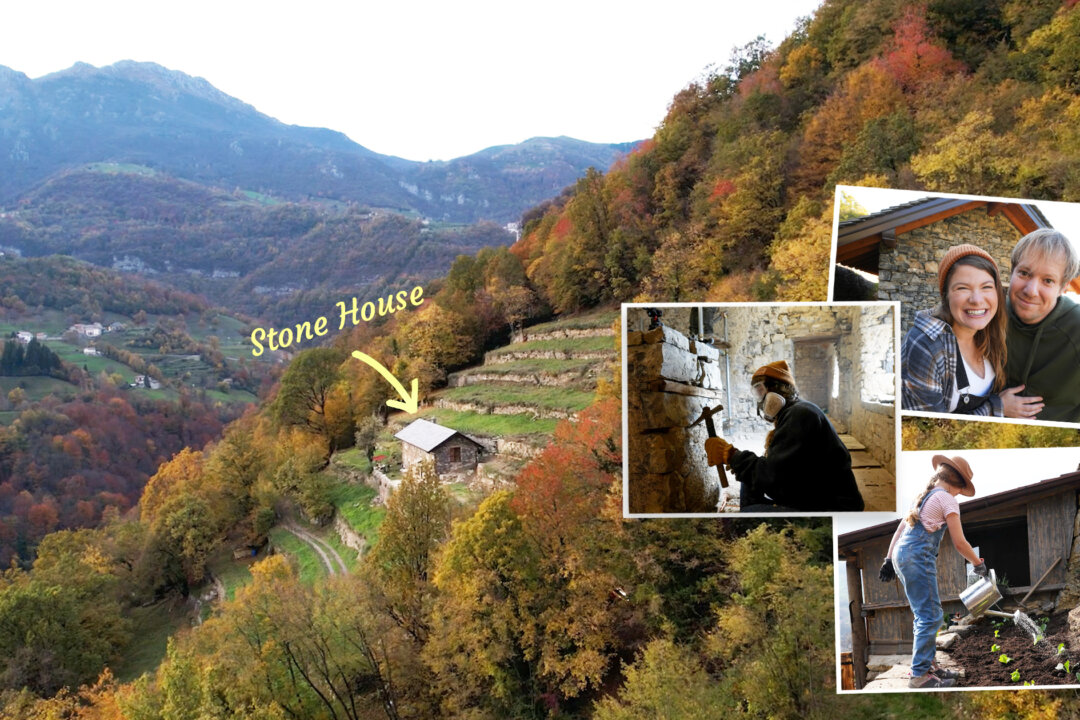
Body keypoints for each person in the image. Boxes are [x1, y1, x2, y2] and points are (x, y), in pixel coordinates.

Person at [879, 455, 987, 689]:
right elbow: (960, 543)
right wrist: (978, 563)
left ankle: (929, 666)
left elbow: (900, 529)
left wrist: (888, 559)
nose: (959, 493)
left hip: (902, 555)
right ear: (957, 483)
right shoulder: (947, 500)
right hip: (916, 557)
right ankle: (919, 676)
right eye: (961, 489)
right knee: (930, 615)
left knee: (925, 613)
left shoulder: (923, 497)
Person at [704, 360, 864, 512]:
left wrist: (732, 456)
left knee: (749, 511)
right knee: (749, 478)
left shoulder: (800, 415)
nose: (760, 400)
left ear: (777, 390)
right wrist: (741, 464)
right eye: (757, 393)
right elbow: (780, 473)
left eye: (761, 391)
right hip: (815, 494)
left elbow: (774, 480)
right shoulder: (799, 411)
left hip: (832, 507)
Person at [901, 244, 1040, 418]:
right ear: (945, 295)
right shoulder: (925, 345)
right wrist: (997, 409)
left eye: (986, 287)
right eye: (962, 288)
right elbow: (925, 433)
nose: (976, 300)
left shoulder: (991, 333)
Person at [1004, 228, 1080, 422]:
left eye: (1048, 280)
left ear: (1063, 288)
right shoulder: (986, 314)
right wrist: (994, 406)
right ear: (1011, 272)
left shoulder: (1076, 328)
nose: (1031, 290)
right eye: (1024, 273)